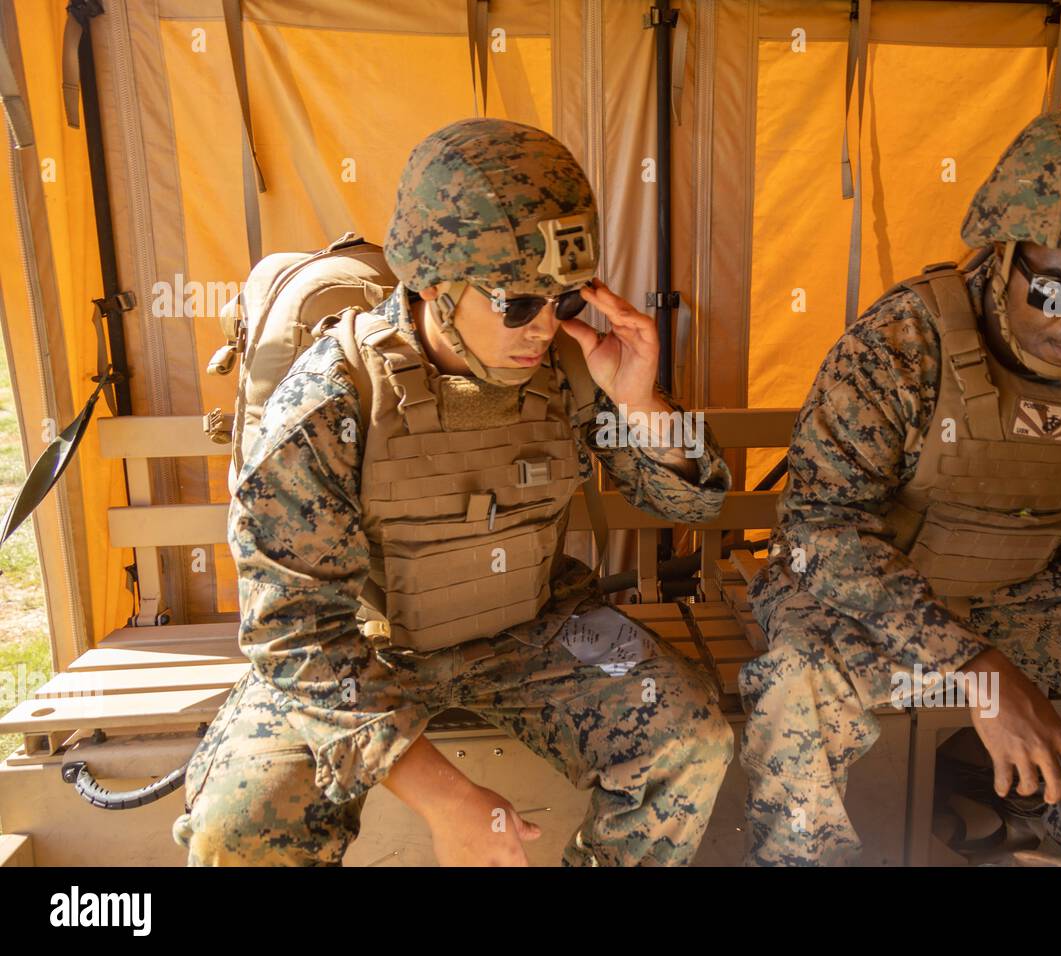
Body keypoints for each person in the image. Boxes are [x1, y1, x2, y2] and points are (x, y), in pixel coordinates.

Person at [172, 118, 734, 866]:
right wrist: (449, 800)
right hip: (368, 650)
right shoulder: (331, 398)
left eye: (563, 302)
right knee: (241, 827)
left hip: (532, 627)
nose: (542, 328)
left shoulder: (566, 371)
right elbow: (296, 634)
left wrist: (640, 404)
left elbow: (692, 503)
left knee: (691, 741)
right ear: (434, 287)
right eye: (515, 303)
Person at [741, 109, 1061, 867]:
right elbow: (822, 532)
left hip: (1018, 592)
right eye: (1058, 288)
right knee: (798, 682)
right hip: (865, 597)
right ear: (1005, 254)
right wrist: (977, 673)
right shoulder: (902, 346)